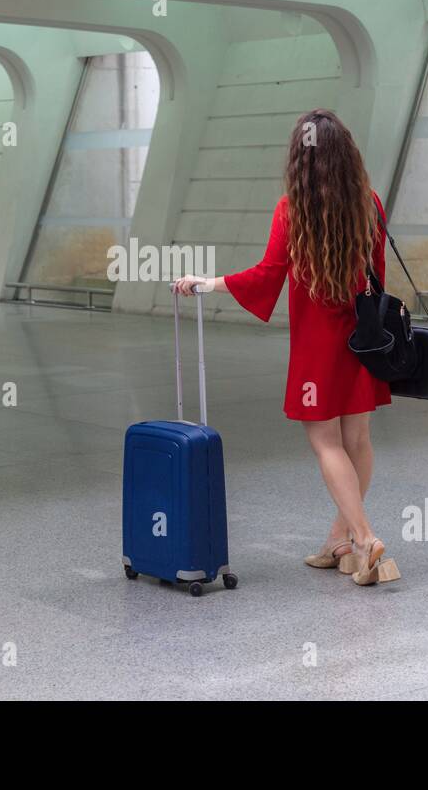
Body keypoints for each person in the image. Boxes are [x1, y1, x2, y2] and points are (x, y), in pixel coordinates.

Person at [173, 109, 399, 587]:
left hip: (320, 346)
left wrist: (204, 283)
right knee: (357, 440)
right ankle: (339, 541)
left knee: (326, 443)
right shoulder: (371, 204)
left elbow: (266, 275)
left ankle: (364, 538)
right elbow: (378, 273)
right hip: (365, 341)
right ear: (347, 154)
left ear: (301, 158)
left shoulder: (292, 210)